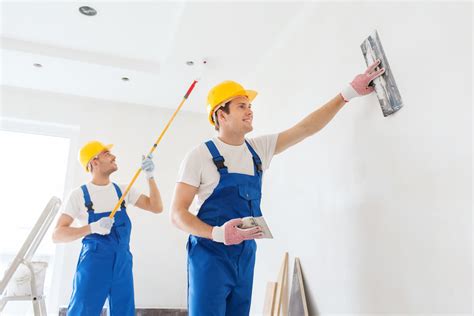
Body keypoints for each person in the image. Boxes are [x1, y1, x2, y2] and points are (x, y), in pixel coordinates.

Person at [170, 60, 385, 315]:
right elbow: (177, 214)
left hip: (245, 253)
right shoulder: (200, 156)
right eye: (242, 106)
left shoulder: (256, 150)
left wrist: (348, 93)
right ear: (221, 114)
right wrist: (218, 234)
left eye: (250, 106)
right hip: (210, 255)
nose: (250, 111)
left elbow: (306, 128)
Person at [52, 140, 163, 315]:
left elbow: (156, 207)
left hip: (123, 263)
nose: (113, 156)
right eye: (107, 154)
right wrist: (91, 228)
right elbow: (57, 235)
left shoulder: (123, 191)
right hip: (94, 262)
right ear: (94, 162)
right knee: (83, 311)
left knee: (123, 312)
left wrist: (150, 176)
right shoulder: (79, 195)